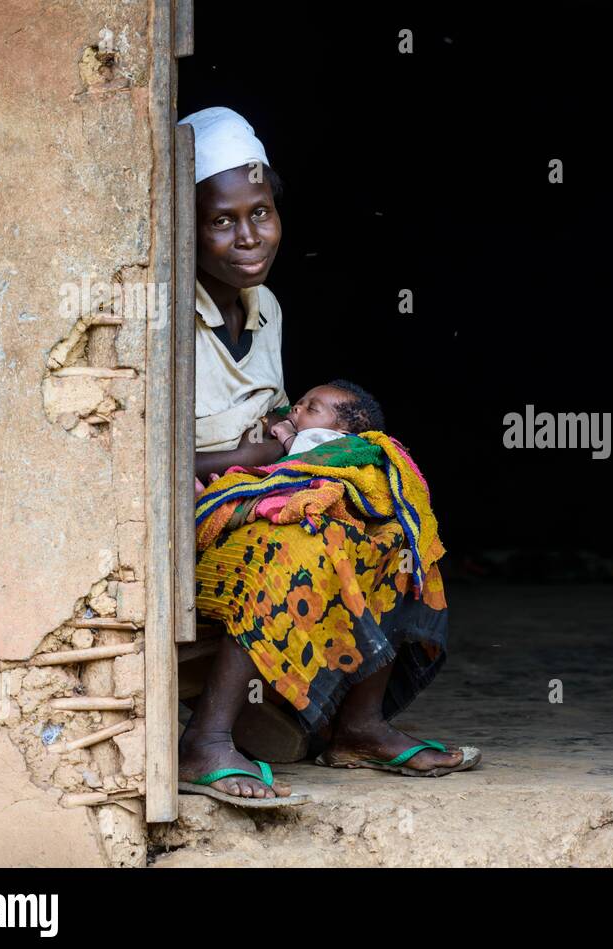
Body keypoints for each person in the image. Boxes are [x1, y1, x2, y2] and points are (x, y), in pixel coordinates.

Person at [177, 108, 477, 806]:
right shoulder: (164, 313)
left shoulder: (267, 307)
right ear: (185, 226)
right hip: (193, 515)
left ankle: (360, 724)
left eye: (262, 213)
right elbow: (151, 458)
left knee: (388, 505)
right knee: (302, 540)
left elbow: (276, 415)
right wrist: (263, 453)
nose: (248, 237)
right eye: (221, 220)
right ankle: (207, 739)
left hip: (262, 490)